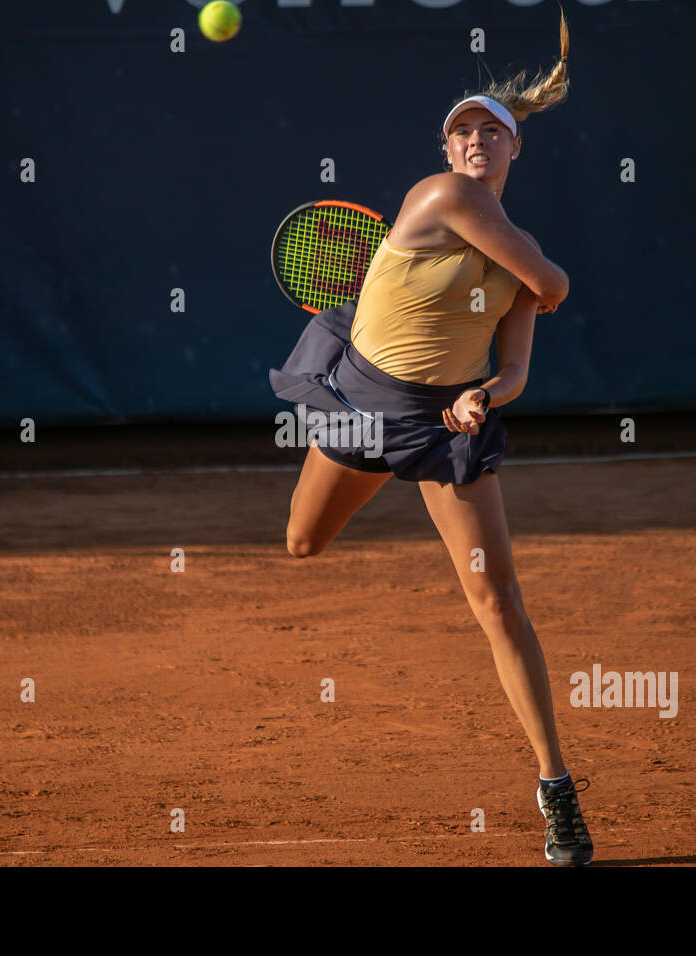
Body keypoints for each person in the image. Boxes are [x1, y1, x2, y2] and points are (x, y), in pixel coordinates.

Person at [269, 14, 592, 864]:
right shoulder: (444, 196)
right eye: (463, 131)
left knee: (499, 603)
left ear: (515, 148)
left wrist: (484, 396)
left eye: (493, 131)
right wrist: (544, 281)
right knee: (302, 543)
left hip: (441, 424)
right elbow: (553, 282)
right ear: (448, 153)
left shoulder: (513, 248)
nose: (476, 140)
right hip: (358, 402)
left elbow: (515, 368)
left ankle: (556, 787)